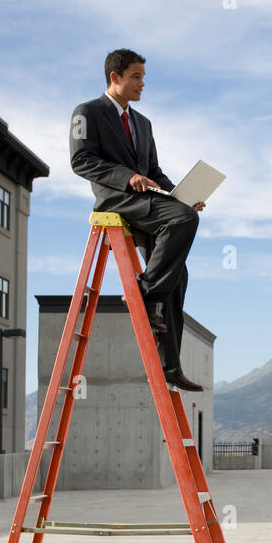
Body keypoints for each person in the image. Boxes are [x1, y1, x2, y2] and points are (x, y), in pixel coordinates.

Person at [69, 48, 206, 392]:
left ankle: (170, 365)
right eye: (136, 76)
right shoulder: (86, 112)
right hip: (115, 199)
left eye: (143, 77)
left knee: (179, 269)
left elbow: (155, 172)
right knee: (183, 220)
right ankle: (144, 295)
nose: (142, 84)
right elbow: (81, 160)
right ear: (115, 77)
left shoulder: (143, 124)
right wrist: (127, 177)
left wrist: (182, 194)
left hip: (147, 199)